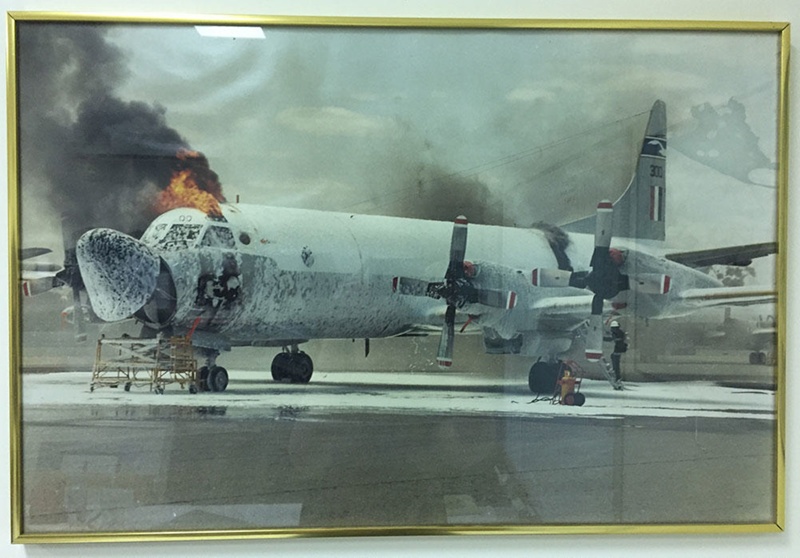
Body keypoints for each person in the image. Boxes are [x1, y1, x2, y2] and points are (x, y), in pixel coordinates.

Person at [609, 320, 627, 385]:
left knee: (616, 363)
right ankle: (617, 375)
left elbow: (612, 339)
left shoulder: (616, 333)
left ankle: (617, 377)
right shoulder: (620, 332)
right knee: (615, 361)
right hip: (619, 349)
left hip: (618, 349)